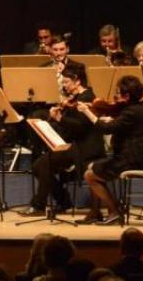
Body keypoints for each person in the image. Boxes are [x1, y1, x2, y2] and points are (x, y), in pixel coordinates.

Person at [18, 68, 102, 216]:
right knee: (40, 165)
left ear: (78, 81)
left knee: (42, 164)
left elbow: (82, 126)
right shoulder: (74, 98)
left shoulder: (87, 96)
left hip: (84, 146)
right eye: (63, 82)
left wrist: (60, 119)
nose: (64, 85)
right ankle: (62, 200)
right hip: (73, 144)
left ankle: (40, 205)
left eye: (67, 82)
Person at [78, 76, 143, 224]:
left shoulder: (131, 112)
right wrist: (113, 120)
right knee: (92, 167)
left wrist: (87, 112)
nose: (115, 96)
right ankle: (96, 212)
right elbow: (125, 126)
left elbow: (106, 129)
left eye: (118, 92)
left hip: (132, 160)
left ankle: (114, 211)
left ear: (127, 96)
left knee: (89, 175)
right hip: (142, 158)